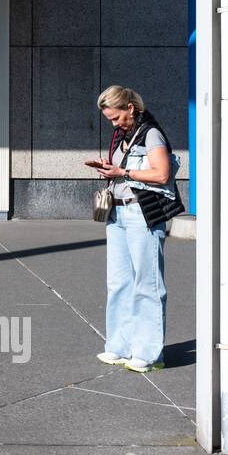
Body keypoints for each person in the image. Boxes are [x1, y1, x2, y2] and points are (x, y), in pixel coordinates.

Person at [90, 86, 183, 373]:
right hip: (117, 211)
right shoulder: (123, 135)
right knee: (118, 282)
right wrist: (109, 168)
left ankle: (148, 353)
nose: (114, 124)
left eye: (116, 117)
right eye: (109, 120)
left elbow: (162, 173)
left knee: (148, 283)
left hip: (142, 212)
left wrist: (123, 172)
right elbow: (124, 167)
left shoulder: (151, 133)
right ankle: (119, 346)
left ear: (130, 107)